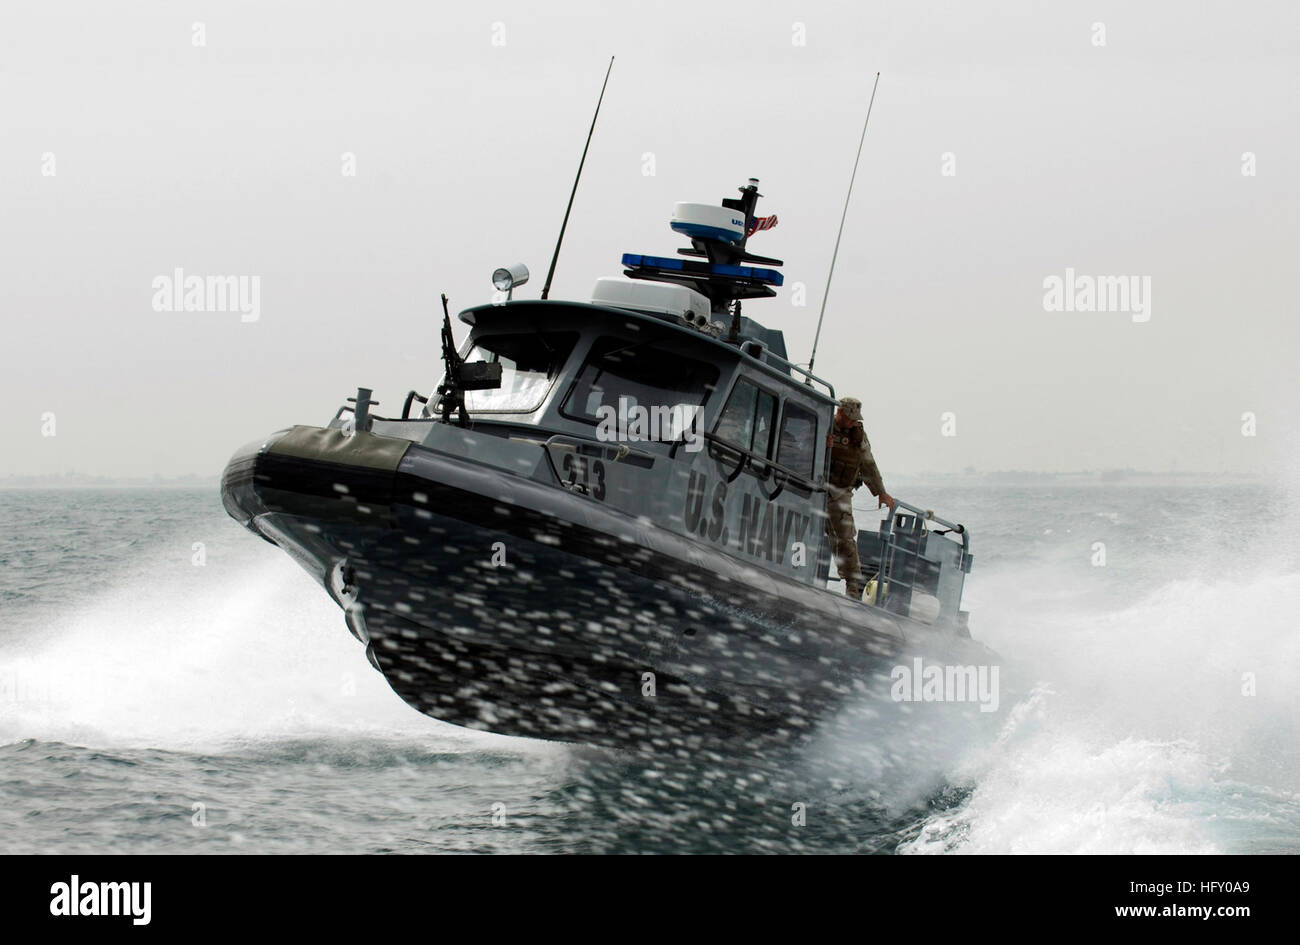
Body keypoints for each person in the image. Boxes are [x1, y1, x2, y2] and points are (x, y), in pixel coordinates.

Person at [825, 397, 895, 600]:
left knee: (845, 538)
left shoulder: (858, 436)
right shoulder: (823, 424)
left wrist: (880, 491)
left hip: (840, 491)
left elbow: (868, 465)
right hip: (816, 484)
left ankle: (852, 587)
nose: (852, 423)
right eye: (849, 418)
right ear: (839, 412)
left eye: (855, 419)